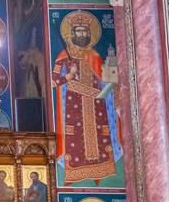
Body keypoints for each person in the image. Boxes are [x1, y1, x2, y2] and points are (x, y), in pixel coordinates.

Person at [52, 11, 121, 185]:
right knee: (75, 140)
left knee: (99, 138)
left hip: (95, 104)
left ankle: (100, 171)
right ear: (72, 34)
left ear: (89, 34)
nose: (81, 34)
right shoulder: (63, 57)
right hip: (74, 105)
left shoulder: (94, 56)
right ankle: (74, 173)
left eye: (84, 31)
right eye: (78, 31)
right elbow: (54, 82)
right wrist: (68, 77)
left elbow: (105, 79)